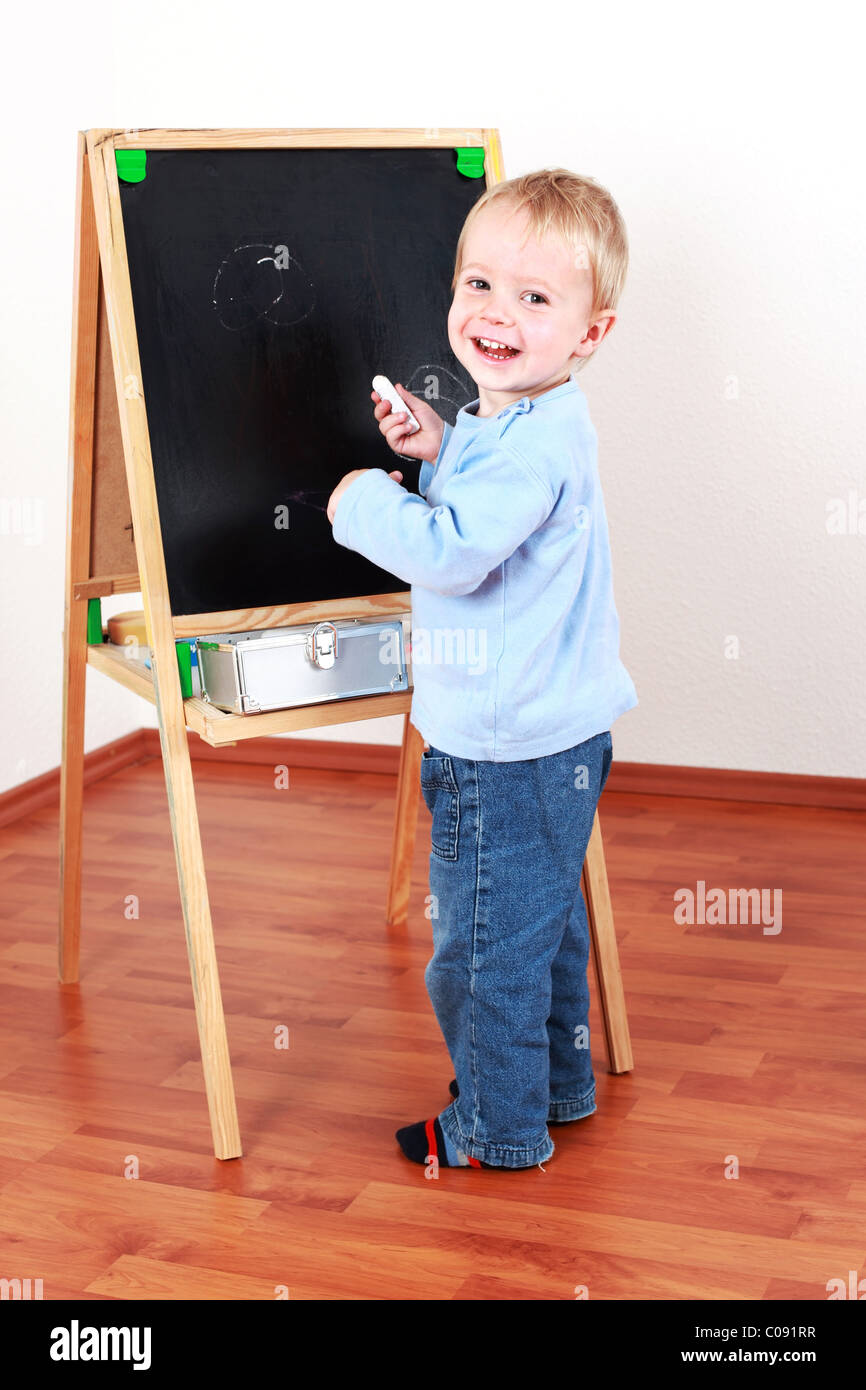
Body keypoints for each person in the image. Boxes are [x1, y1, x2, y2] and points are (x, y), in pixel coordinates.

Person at [327, 168, 638, 1169]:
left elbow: (455, 551)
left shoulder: (516, 449)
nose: (495, 314)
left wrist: (360, 501)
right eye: (478, 285)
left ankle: (496, 1126)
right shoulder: (539, 423)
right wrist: (438, 443)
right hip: (564, 734)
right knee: (542, 930)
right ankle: (557, 1083)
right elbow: (497, 486)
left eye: (533, 299)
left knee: (479, 953)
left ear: (589, 333)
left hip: (498, 752)